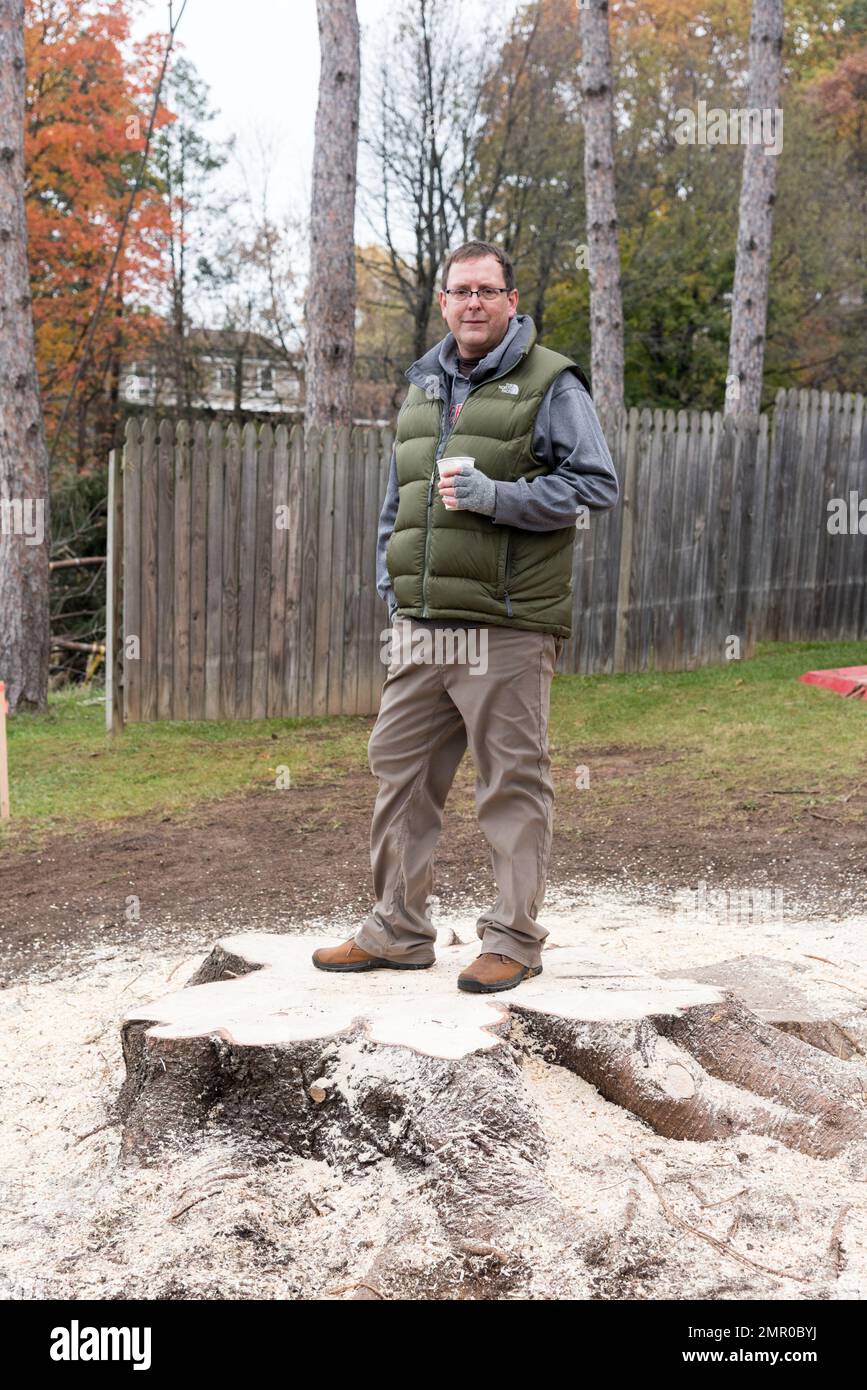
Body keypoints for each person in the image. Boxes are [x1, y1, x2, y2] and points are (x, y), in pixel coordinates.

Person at [313, 239, 620, 992]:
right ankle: (397, 930)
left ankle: (513, 938)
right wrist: (392, 583)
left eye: (488, 290)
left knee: (510, 783)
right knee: (399, 774)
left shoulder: (551, 383)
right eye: (460, 291)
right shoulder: (422, 388)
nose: (473, 302)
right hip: (423, 625)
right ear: (443, 302)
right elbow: (401, 501)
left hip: (508, 627)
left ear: (511, 302)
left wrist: (499, 498)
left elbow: (595, 484)